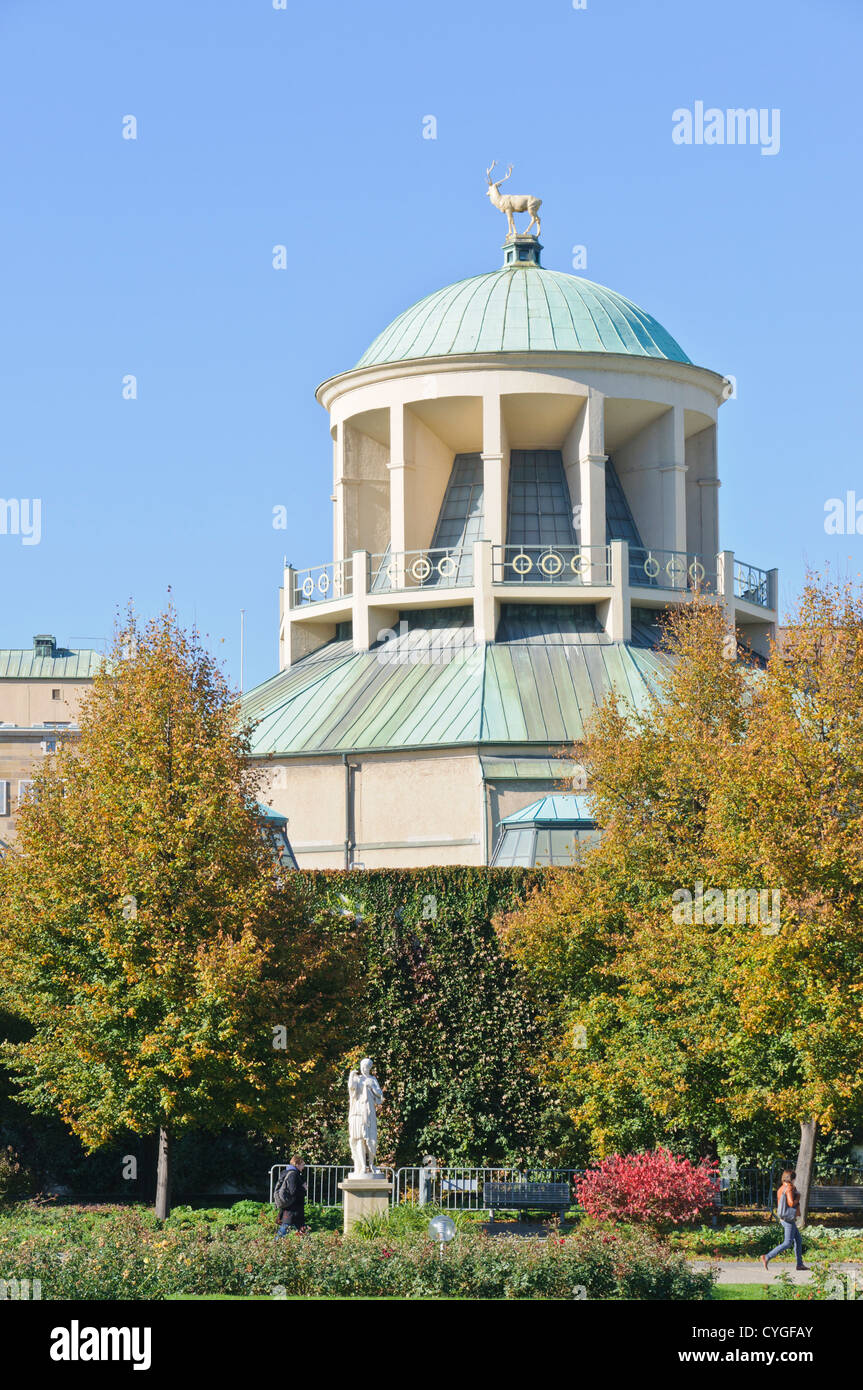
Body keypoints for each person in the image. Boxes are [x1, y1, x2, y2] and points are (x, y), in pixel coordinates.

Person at [761, 1169, 810, 1273]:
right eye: (794, 1178)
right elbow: (791, 1203)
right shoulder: (789, 1188)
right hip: (788, 1219)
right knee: (787, 1243)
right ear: (792, 1178)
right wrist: (798, 1197)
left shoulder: (781, 1188)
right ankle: (767, 1256)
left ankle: (799, 1264)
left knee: (798, 1240)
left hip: (784, 1218)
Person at [274, 1156, 306, 1237]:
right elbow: (293, 1191)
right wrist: (304, 1188)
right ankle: (275, 1243)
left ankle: (308, 1245)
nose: (303, 1167)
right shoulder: (293, 1174)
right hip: (293, 1207)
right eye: (302, 1164)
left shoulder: (287, 1172)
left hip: (291, 1206)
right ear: (297, 1164)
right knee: (285, 1227)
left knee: (300, 1227)